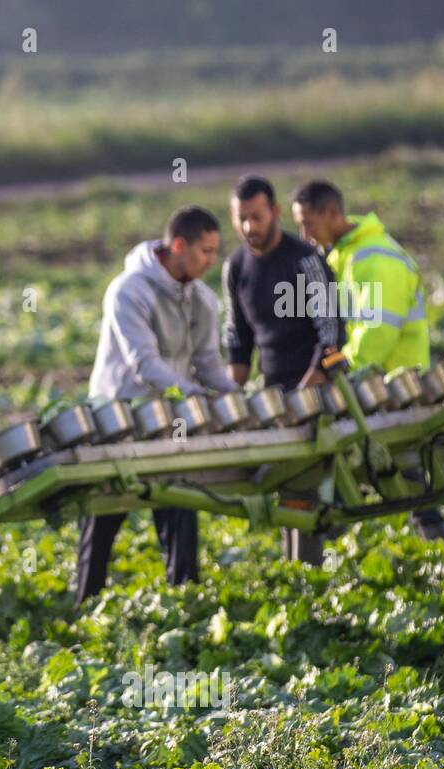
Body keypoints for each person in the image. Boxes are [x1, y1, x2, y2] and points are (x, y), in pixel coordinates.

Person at [78, 206, 240, 607]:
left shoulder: (202, 299)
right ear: (179, 245)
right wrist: (196, 396)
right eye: (204, 251)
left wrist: (238, 396)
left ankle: (185, 599)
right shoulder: (128, 290)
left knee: (179, 500)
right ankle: (86, 602)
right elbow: (144, 364)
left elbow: (208, 364)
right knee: (104, 509)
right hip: (117, 416)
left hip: (171, 418)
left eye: (215, 252)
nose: (210, 261)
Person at [291, 179, 444, 550]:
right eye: (299, 225)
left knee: (405, 478)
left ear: (333, 213)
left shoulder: (377, 258)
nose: (304, 233)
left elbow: (376, 335)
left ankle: (441, 551)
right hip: (375, 389)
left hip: (396, 388)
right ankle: (438, 549)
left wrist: (339, 372)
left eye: (309, 223)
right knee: (406, 482)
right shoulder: (344, 254)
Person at [222, 174, 344, 565]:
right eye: (241, 219)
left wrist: (311, 385)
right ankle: (298, 566)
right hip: (273, 388)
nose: (248, 228)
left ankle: (307, 564)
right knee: (282, 482)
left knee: (303, 479)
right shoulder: (235, 266)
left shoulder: (306, 260)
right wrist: (228, 396)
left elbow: (330, 331)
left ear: (275, 212)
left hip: (314, 383)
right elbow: (238, 339)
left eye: (256, 217)